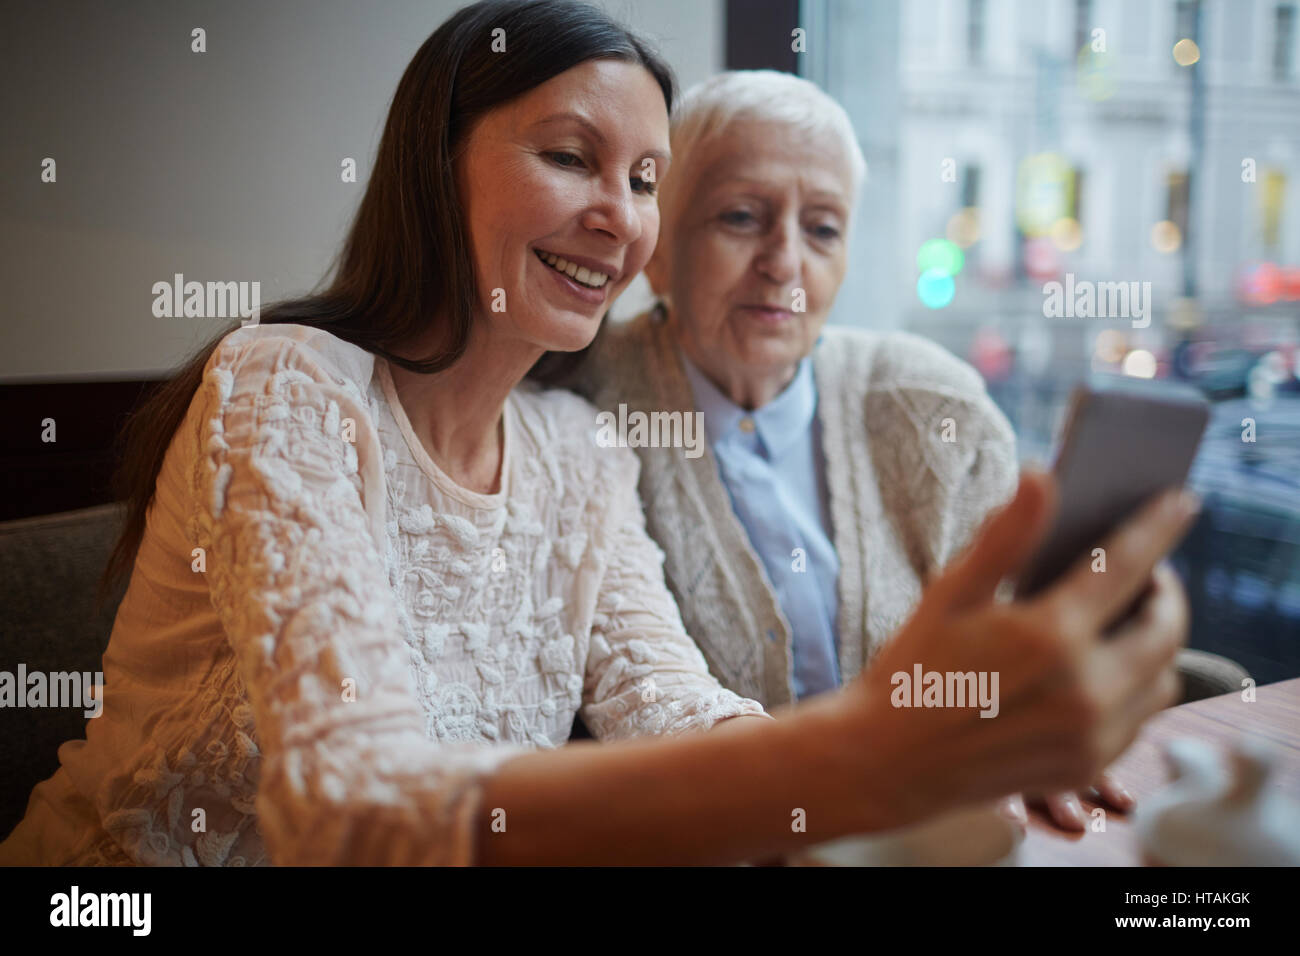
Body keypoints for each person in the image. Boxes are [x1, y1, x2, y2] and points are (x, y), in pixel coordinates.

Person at [0, 0, 1193, 867]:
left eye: (641, 181)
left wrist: (949, 730)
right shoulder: (288, 385)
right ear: (435, 165)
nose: (614, 218)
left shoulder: (577, 447)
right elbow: (348, 808)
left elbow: (670, 698)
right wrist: (863, 756)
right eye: (570, 157)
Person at [562, 70, 1163, 831]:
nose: (785, 262)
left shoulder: (933, 406)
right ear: (657, 251)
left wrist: (1036, 720)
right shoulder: (576, 404)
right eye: (742, 217)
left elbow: (1013, 646)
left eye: (822, 229)